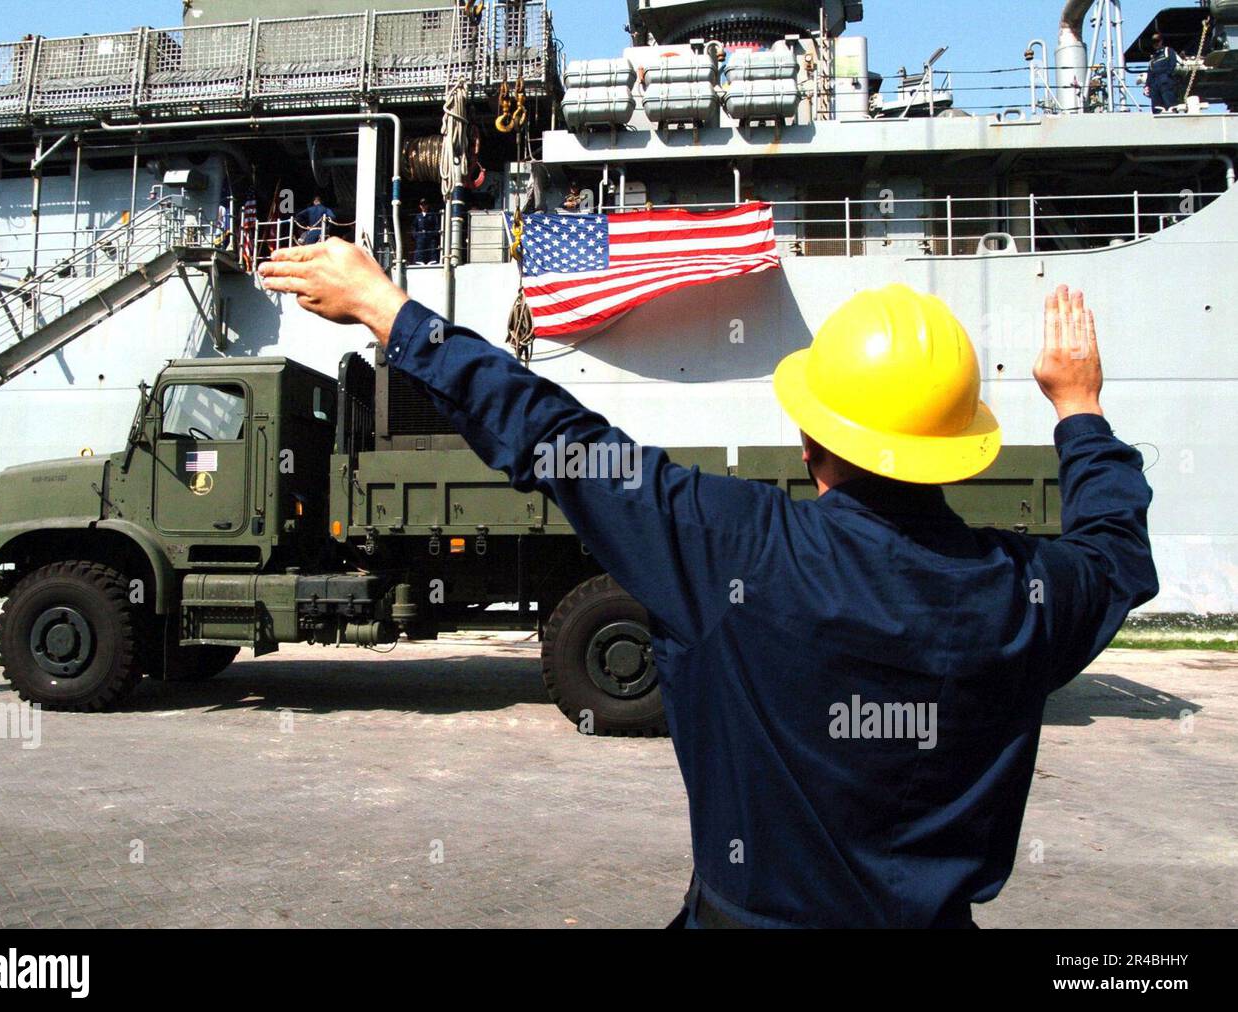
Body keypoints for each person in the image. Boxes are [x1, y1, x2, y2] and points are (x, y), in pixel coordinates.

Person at [259, 241, 1158, 929]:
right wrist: (1079, 407)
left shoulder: (733, 549)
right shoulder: (1026, 596)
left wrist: (388, 308)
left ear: (808, 444)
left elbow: (556, 436)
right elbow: (1116, 549)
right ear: (959, 453)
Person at [1146, 32, 1180, 112]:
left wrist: (1167, 75)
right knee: (1156, 107)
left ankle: (1173, 115)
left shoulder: (1168, 51)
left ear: (1161, 41)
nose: (1156, 44)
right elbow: (1150, 73)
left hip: (1165, 81)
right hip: (1155, 84)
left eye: (1157, 41)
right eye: (1154, 42)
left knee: (1170, 104)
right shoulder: (1153, 58)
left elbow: (1173, 64)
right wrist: (1147, 85)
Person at [412, 198, 441, 264]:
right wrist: (415, 235)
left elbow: (436, 225)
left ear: (427, 206)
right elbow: (414, 226)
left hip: (430, 234)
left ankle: (432, 260)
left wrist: (434, 233)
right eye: (422, 205)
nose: (424, 206)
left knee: (432, 247)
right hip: (420, 235)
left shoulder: (432, 215)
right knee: (420, 247)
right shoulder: (418, 216)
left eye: (425, 205)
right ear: (420, 206)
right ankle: (419, 261)